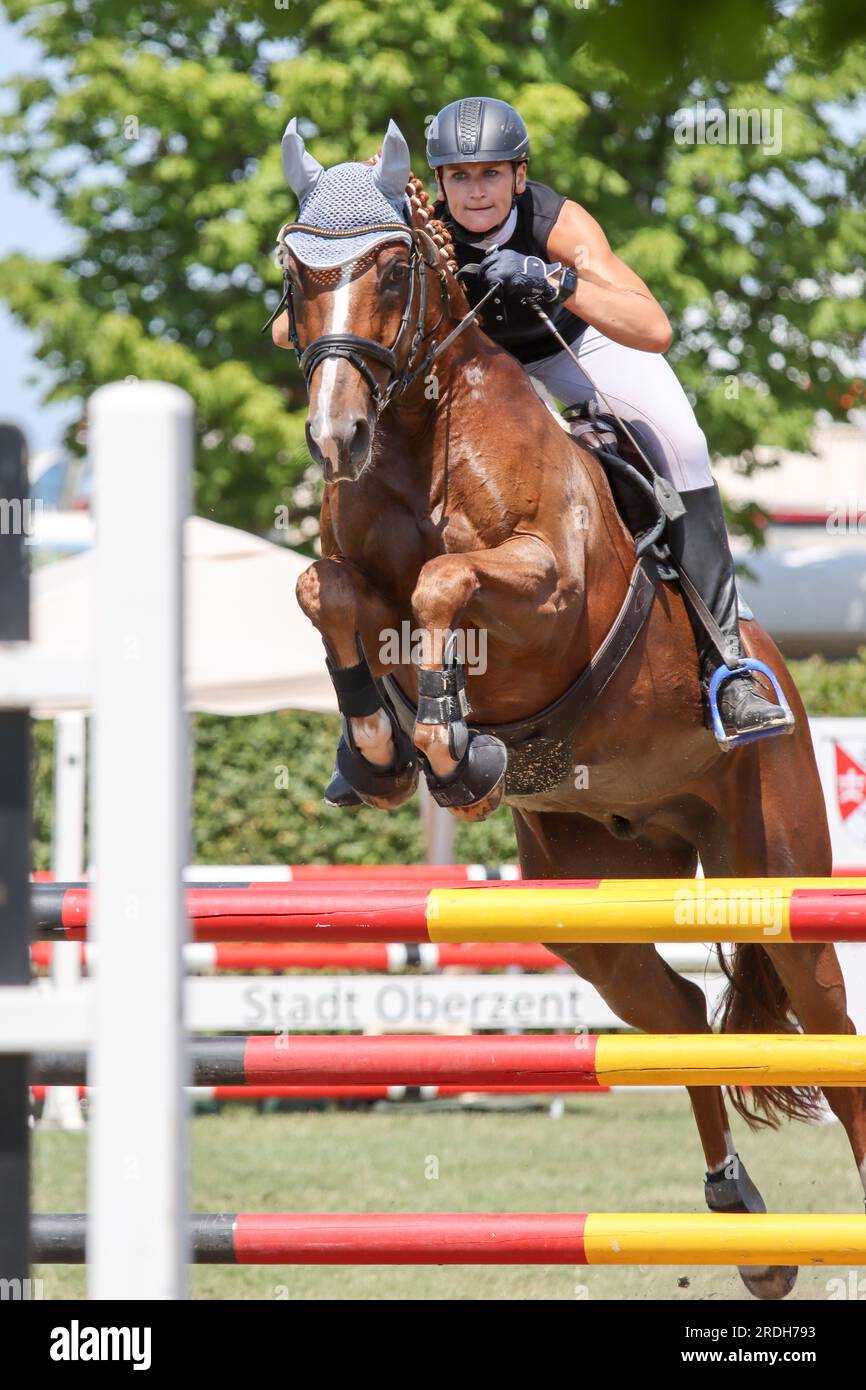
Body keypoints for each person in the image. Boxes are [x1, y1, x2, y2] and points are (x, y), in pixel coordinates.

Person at [426, 95, 792, 744]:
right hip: (485, 371)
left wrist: (555, 280)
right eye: (459, 176)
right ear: (440, 183)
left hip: (577, 349)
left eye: (490, 174)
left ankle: (729, 670)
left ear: (519, 174)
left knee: (682, 444)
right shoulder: (423, 226)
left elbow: (653, 328)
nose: (475, 191)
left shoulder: (557, 222)